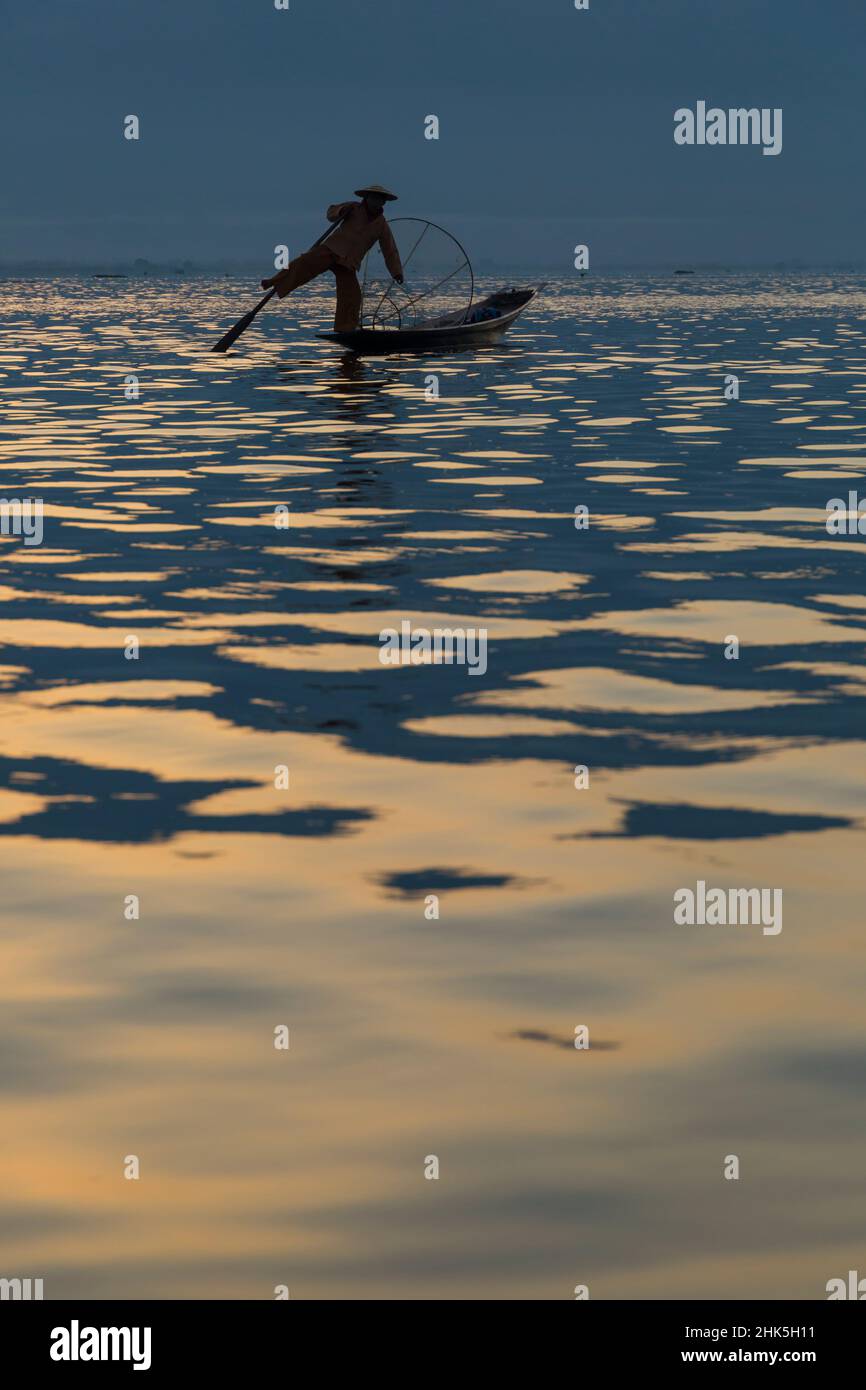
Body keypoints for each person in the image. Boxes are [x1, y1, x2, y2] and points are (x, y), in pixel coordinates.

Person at [262, 184, 404, 331]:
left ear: (384, 202)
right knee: (303, 264)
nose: (377, 201)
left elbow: (390, 250)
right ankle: (276, 281)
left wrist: (397, 272)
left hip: (349, 263)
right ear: (366, 198)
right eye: (374, 197)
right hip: (331, 249)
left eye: (380, 199)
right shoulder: (353, 208)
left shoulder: (382, 225)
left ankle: (345, 328)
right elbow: (331, 213)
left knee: (352, 296)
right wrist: (341, 210)